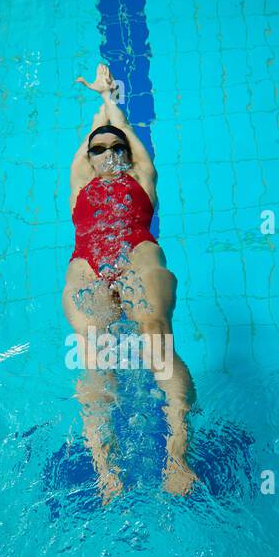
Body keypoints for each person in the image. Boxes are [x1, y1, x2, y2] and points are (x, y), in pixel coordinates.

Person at [63, 63, 197, 499]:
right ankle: (107, 472)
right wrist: (100, 106)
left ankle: (177, 457)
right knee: (95, 355)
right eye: (97, 149)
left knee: (157, 337)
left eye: (115, 147)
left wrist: (111, 102)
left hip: (137, 250)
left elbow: (121, 133)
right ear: (87, 157)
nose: (106, 153)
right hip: (88, 261)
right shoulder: (80, 181)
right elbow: (96, 135)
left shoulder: (143, 178)